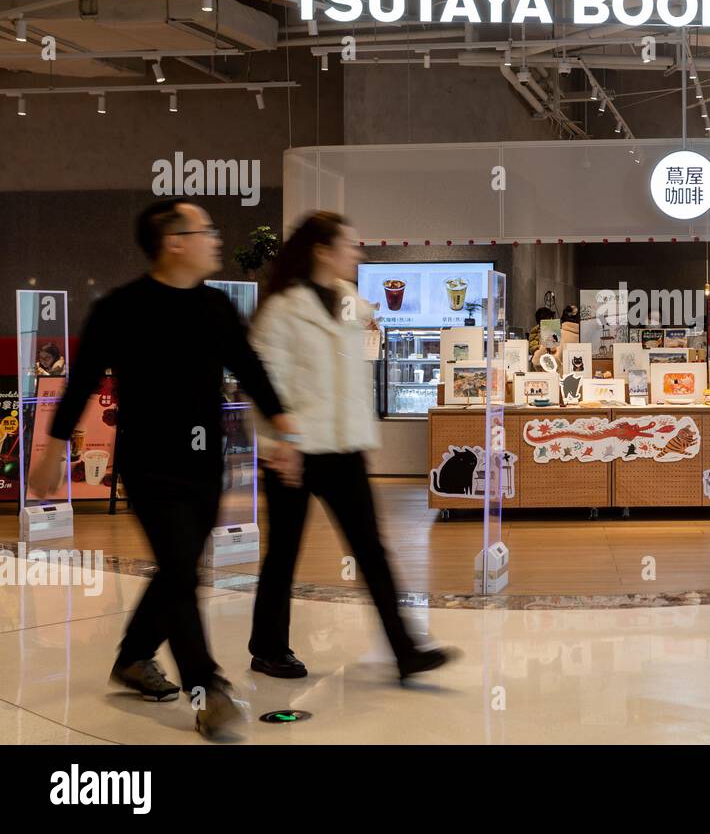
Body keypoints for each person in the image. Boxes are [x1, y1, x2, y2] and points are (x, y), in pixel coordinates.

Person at [27, 198, 301, 740]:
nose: (216, 239)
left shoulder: (217, 308)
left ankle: (133, 657)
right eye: (205, 230)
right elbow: (80, 380)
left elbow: (251, 371)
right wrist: (54, 452)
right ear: (174, 242)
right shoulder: (121, 309)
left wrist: (286, 435)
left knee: (181, 569)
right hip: (149, 466)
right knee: (180, 571)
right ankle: (207, 690)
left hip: (204, 463)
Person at [246, 211, 459, 681]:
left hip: (342, 450)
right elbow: (264, 384)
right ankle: (268, 647)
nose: (357, 253)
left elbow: (351, 371)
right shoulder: (283, 309)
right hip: (294, 453)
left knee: (371, 550)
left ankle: (405, 650)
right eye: (349, 245)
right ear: (322, 251)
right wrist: (283, 443)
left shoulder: (347, 302)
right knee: (283, 551)